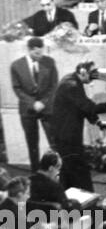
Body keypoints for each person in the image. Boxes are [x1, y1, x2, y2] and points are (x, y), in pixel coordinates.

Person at [49, 61, 106, 191]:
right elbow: (89, 107)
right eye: (93, 73)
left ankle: (69, 202)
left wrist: (98, 122)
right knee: (78, 171)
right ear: (83, 72)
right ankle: (90, 206)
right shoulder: (71, 85)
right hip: (66, 137)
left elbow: (83, 106)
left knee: (68, 171)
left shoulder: (72, 81)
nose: (96, 76)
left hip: (65, 135)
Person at [10, 37, 58, 171]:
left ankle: (59, 171)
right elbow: (17, 88)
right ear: (29, 50)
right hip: (28, 110)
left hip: (47, 108)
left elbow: (54, 85)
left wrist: (43, 102)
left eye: (41, 53)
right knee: (32, 144)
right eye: (37, 53)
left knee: (54, 141)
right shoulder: (16, 66)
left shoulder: (49, 62)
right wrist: (32, 103)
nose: (40, 56)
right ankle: (36, 173)